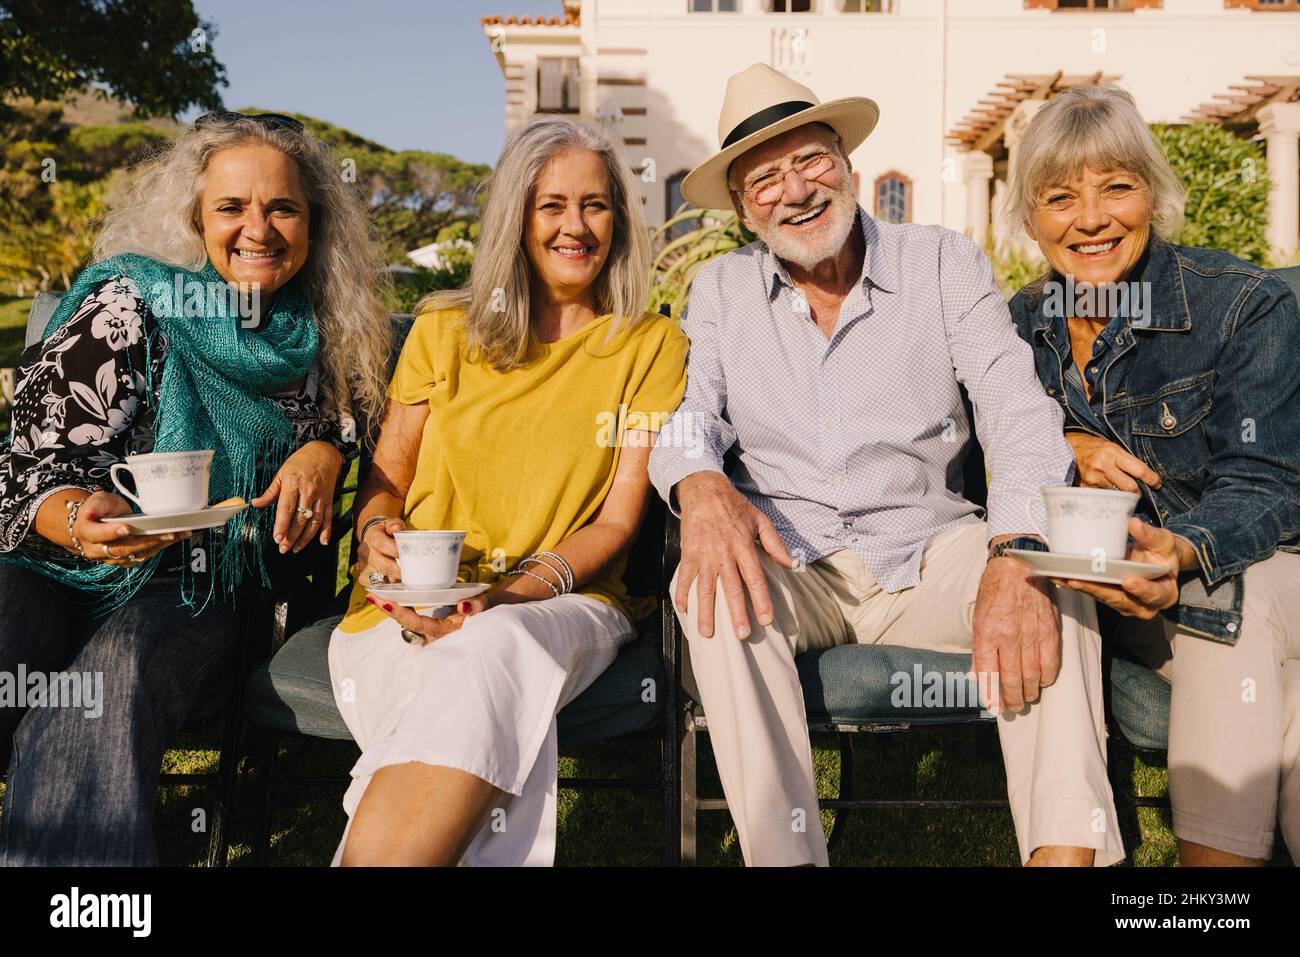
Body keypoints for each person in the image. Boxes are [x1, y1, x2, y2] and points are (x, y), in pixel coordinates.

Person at [648, 62, 1121, 867]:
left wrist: (1014, 551)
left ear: (848, 164)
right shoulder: (722, 290)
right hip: (792, 559)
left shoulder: (941, 262)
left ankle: (1064, 856)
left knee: (1054, 580)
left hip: (930, 550)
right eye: (764, 178)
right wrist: (699, 486)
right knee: (709, 595)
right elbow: (691, 415)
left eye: (810, 162)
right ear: (740, 207)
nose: (795, 191)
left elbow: (1015, 407)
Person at [0, 111, 393, 865]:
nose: (260, 228)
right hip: (57, 562)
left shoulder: (328, 338)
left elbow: (372, 432)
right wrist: (84, 522)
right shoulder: (130, 305)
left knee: (113, 677)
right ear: (196, 217)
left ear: (314, 223)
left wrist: (325, 449)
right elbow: (28, 465)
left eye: (283, 207)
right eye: (232, 207)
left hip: (207, 585)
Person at [328, 118, 688, 867]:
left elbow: (621, 518)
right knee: (466, 696)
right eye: (551, 205)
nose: (575, 226)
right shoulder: (442, 329)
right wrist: (374, 538)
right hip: (406, 607)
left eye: (595, 204)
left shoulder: (648, 344)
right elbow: (384, 485)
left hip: (565, 601)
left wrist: (507, 597)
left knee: (491, 645)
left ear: (618, 218)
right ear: (515, 218)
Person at [1002, 83, 1300, 866]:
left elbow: (1267, 484)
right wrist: (1063, 437)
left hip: (1261, 572)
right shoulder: (1014, 332)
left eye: (1117, 187)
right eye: (1060, 197)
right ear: (1031, 218)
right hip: (1118, 600)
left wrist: (1184, 550)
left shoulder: (1242, 305)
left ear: (1154, 193)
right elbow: (971, 462)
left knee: (1223, 603)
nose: (1090, 218)